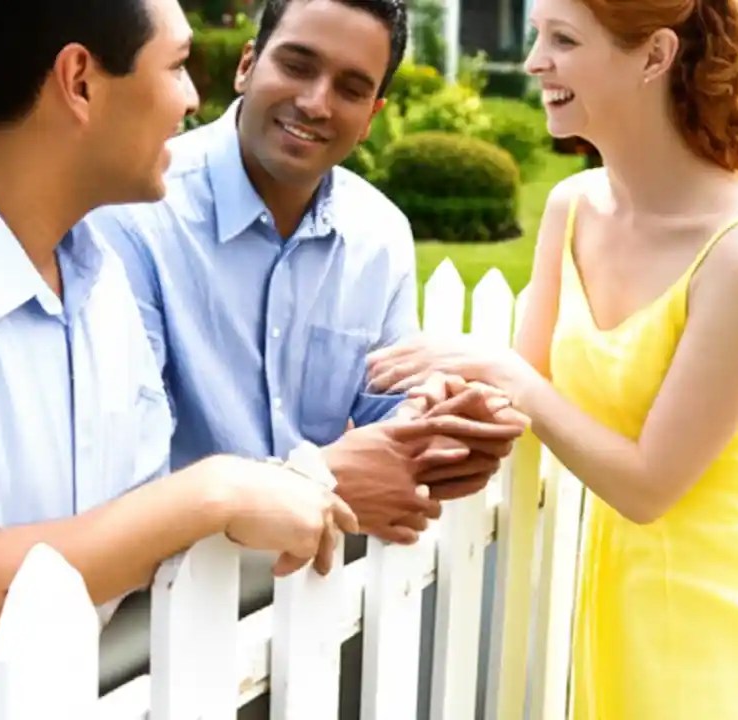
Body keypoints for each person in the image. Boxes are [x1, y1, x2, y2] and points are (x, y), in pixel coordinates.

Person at [0, 0, 388, 716]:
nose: (194, 99)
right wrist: (214, 492)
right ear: (81, 81)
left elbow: (116, 545)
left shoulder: (94, 277)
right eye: (177, 65)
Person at [366, 0, 738, 716]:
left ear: (656, 57)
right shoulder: (571, 208)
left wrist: (507, 375)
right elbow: (524, 392)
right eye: (538, 35)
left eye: (563, 39)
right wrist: (435, 410)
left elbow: (648, 486)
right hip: (624, 611)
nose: (535, 60)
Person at [78, 0, 527, 712]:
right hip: (159, 619)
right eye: (298, 64)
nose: (317, 103)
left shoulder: (379, 236)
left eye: (351, 88)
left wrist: (444, 423)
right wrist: (316, 478)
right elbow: (116, 469)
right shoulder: (137, 212)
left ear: (373, 111)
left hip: (319, 610)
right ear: (249, 65)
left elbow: (390, 414)